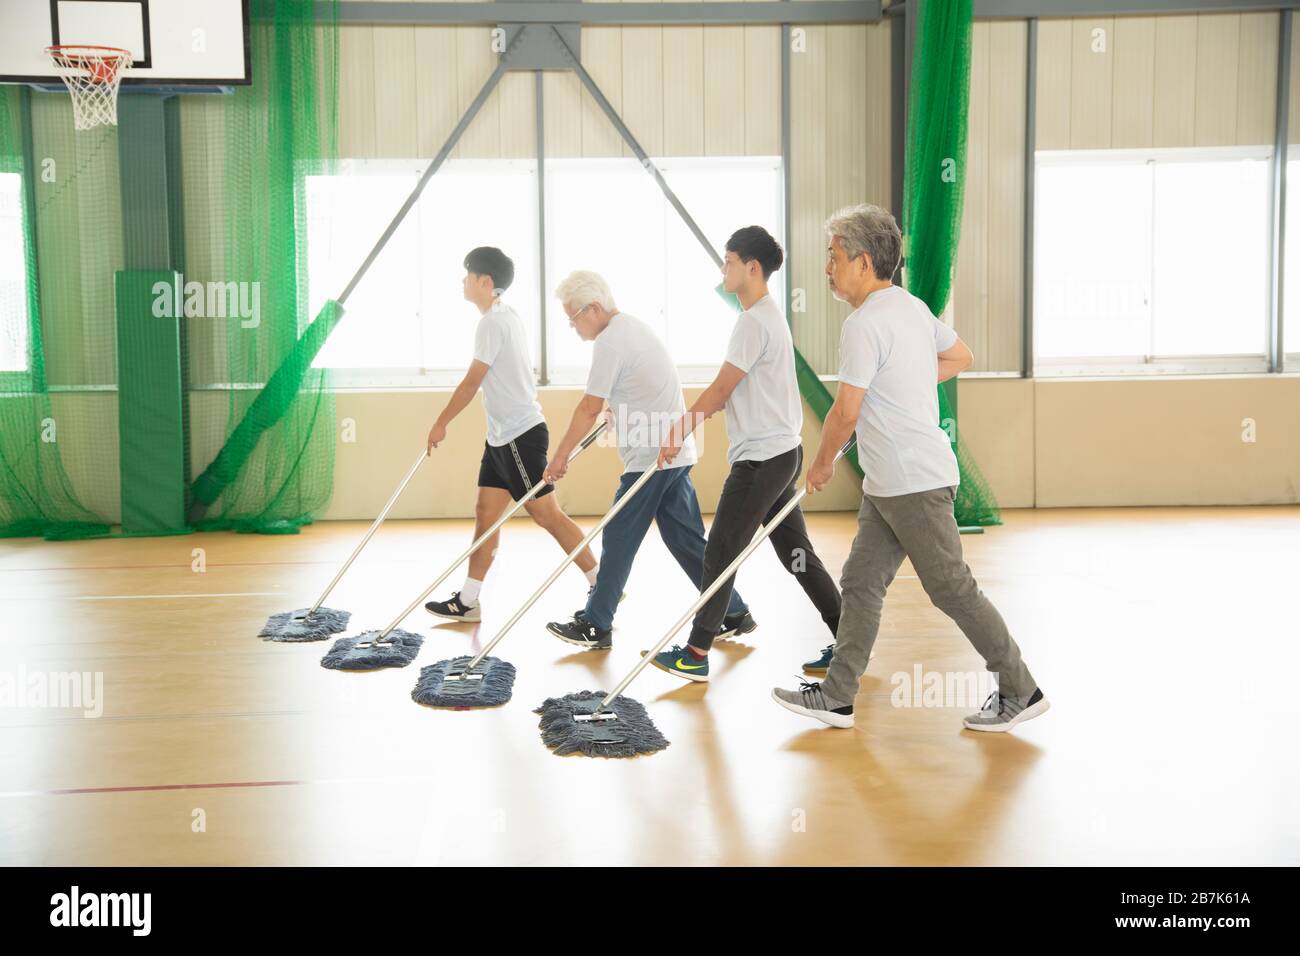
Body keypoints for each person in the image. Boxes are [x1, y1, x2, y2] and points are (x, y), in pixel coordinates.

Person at [771, 205, 1049, 732]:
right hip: (890, 484)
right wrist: (908, 380)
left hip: (913, 481)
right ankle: (837, 697)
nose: (827, 269)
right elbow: (960, 355)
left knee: (951, 588)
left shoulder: (864, 325)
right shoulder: (911, 308)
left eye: (833, 258)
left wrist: (823, 463)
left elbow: (845, 411)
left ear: (861, 261)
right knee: (861, 581)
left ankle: (1021, 688)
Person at [649, 226, 841, 683]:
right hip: (782, 454)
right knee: (796, 553)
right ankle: (849, 638)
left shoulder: (753, 321)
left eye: (729, 260)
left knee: (721, 552)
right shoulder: (766, 316)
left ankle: (696, 652)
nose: (723, 269)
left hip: (761, 463)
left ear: (752, 268)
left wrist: (679, 429)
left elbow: (720, 390)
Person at [542, 270, 751, 651]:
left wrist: (560, 457)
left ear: (593, 308)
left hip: (653, 459)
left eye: (573, 318)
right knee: (686, 540)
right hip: (674, 453)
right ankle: (733, 611)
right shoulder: (631, 329)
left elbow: (589, 407)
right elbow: (635, 389)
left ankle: (596, 622)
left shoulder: (609, 342)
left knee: (619, 535)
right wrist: (618, 411)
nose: (572, 327)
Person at [423, 247, 597, 623]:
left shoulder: (493, 323)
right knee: (486, 515)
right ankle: (468, 601)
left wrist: (441, 422)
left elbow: (473, 381)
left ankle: (602, 585)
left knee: (547, 515)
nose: (463, 282)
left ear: (485, 282)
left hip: (520, 436)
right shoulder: (502, 317)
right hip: (501, 438)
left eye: (467, 275)